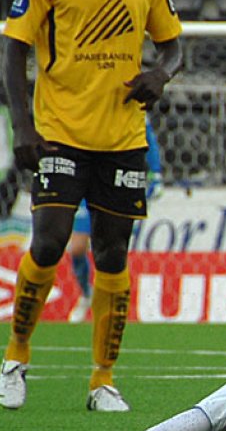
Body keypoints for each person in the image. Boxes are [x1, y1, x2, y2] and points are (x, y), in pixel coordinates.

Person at [0, 0, 183, 412]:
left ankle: (103, 380)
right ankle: (15, 356)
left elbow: (173, 47)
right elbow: (13, 50)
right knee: (49, 242)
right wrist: (22, 125)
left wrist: (160, 76)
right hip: (59, 133)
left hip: (123, 139)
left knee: (112, 254)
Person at [68, 118, 162, 322]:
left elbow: (146, 133)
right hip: (85, 174)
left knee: (111, 246)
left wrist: (156, 172)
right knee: (76, 247)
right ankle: (86, 295)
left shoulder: (125, 93)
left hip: (115, 177)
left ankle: (111, 302)